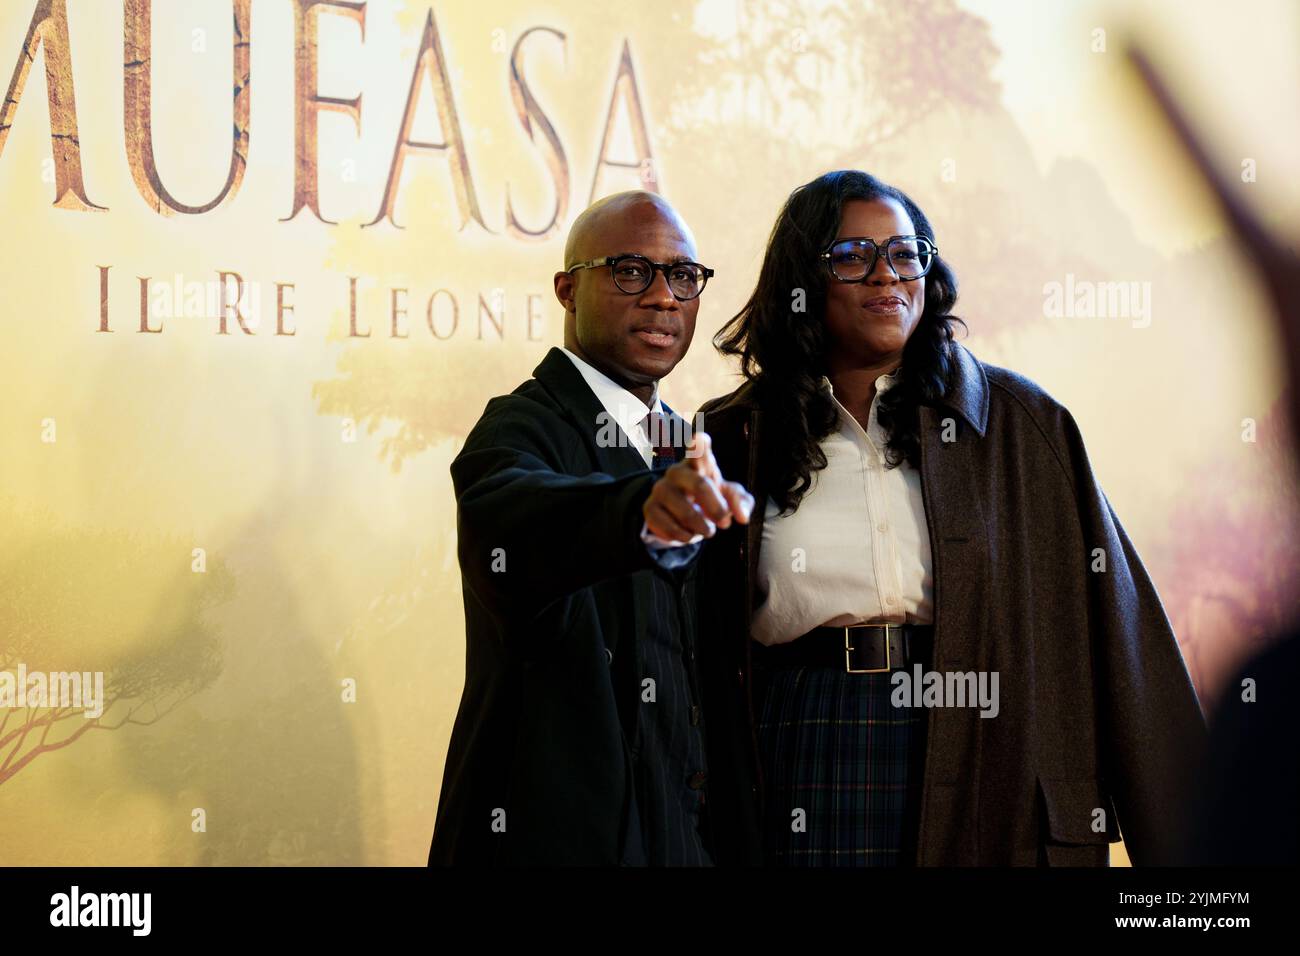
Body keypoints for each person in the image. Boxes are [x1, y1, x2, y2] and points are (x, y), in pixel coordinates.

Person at [677, 169, 1206, 866]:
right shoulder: (732, 435)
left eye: (905, 254)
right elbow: (694, 652)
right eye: (851, 257)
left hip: (979, 738)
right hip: (802, 744)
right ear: (801, 282)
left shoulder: (1021, 424)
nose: (886, 277)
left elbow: (1123, 634)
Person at [428, 190, 753, 865]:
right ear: (567, 290)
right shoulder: (518, 427)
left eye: (684, 276)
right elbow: (520, 523)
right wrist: (641, 508)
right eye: (632, 271)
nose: (665, 297)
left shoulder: (687, 442)